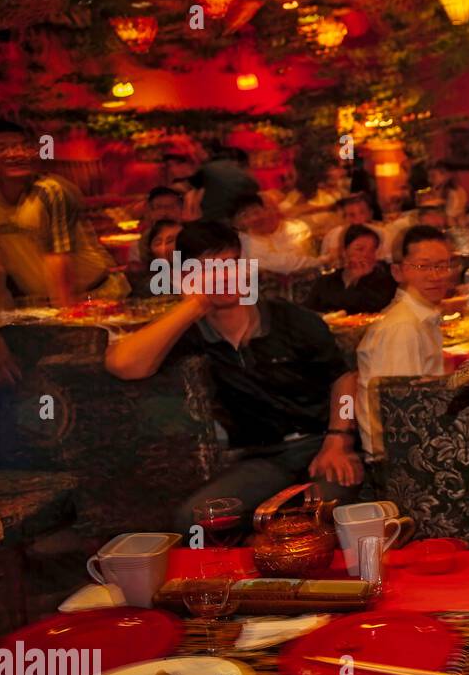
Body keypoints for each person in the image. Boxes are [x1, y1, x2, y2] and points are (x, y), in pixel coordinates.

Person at [104, 221, 361, 534]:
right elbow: (124, 364)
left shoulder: (291, 320)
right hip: (261, 459)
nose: (223, 277)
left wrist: (339, 439)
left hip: (320, 443)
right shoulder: (193, 333)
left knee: (313, 520)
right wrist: (194, 305)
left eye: (230, 265)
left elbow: (344, 380)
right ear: (186, 278)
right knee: (194, 519)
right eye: (207, 270)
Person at [0, 119, 126, 306]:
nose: (16, 154)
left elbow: (59, 261)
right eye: (1, 148)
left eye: (23, 146)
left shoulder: (51, 191)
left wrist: (65, 319)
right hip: (43, 303)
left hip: (96, 296)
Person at [355, 226, 453, 459]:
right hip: (399, 461)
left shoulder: (422, 317)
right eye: (423, 266)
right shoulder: (403, 327)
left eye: (442, 265)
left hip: (413, 447)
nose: (435, 275)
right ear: (398, 272)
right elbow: (402, 414)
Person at [304, 224, 397, 315]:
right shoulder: (325, 282)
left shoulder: (386, 282)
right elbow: (308, 314)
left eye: (372, 250)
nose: (366, 255)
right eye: (359, 249)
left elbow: (371, 310)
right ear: (344, 251)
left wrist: (358, 280)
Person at [231, 194, 326, 276]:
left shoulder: (293, 228)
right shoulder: (246, 243)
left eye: (257, 212)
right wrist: (321, 261)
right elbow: (283, 264)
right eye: (245, 216)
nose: (254, 218)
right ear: (238, 223)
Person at [195, 145, 261, 224]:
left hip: (204, 219)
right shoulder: (240, 177)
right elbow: (254, 191)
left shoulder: (207, 169)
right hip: (223, 221)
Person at [321, 193, 391, 262]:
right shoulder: (335, 235)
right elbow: (328, 261)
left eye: (362, 213)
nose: (357, 219)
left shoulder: (383, 234)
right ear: (344, 218)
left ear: (370, 213)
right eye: (351, 215)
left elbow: (387, 258)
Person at [127, 187, 186, 269]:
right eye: (159, 207)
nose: (164, 213)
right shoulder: (138, 245)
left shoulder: (192, 235)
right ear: (150, 212)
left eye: (170, 207)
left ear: (181, 209)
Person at [428, 160, 468, 224]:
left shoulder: (454, 193)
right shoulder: (441, 189)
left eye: (433, 176)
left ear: (445, 175)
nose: (430, 180)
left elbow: (450, 220)